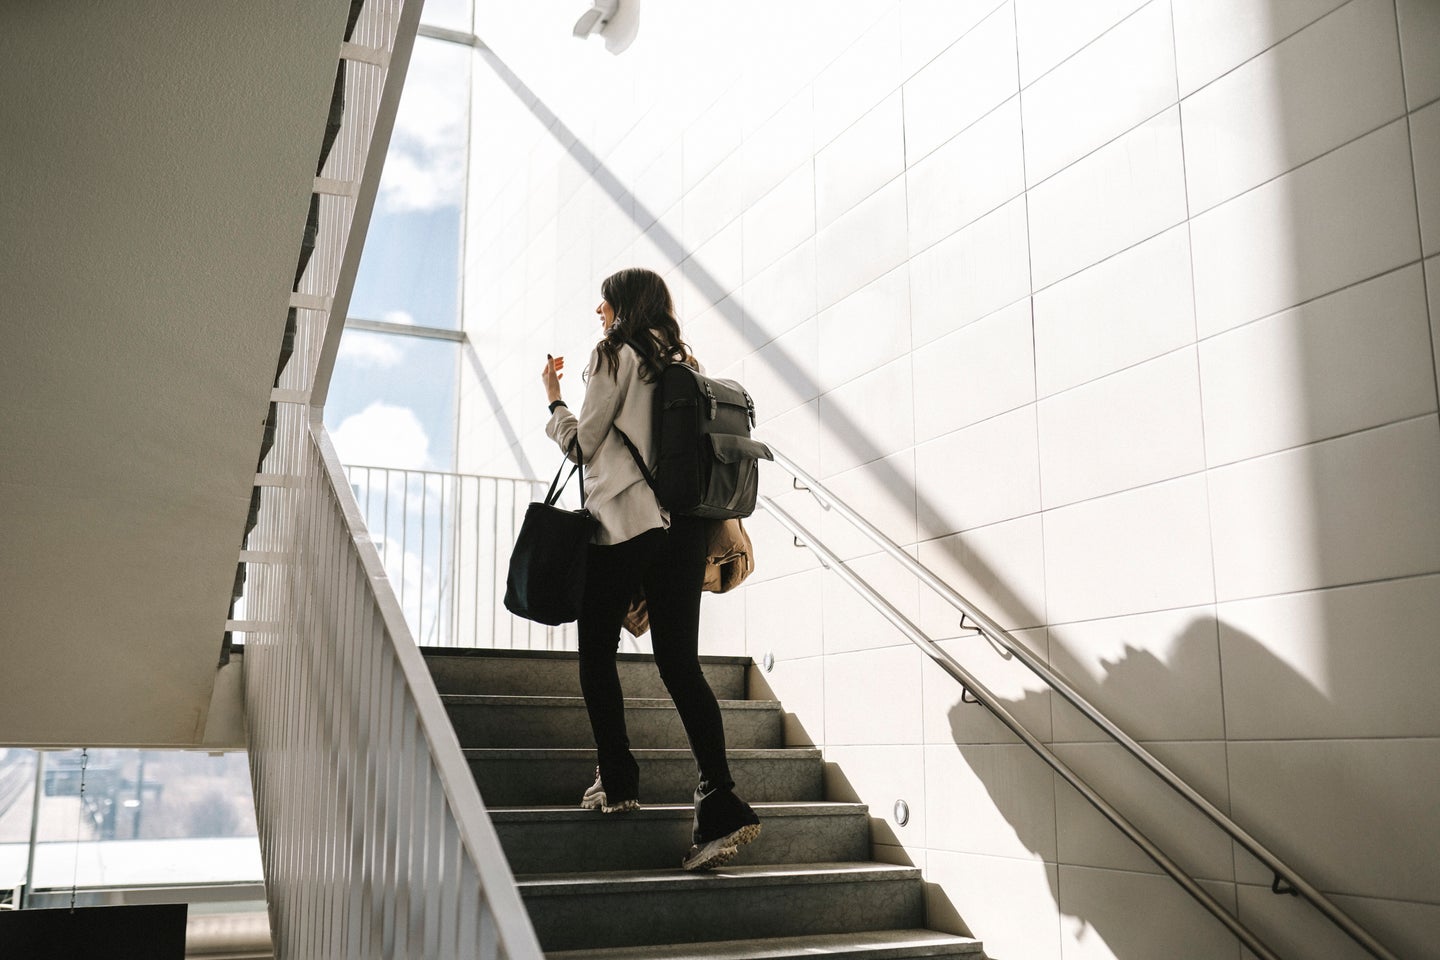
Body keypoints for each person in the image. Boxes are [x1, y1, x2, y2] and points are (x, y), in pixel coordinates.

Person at [540, 267, 761, 871]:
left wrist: (555, 400)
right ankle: (719, 800)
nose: (598, 312)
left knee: (594, 654)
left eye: (604, 302)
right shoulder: (675, 361)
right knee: (679, 663)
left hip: (626, 528)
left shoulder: (614, 356)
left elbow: (583, 444)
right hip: (682, 531)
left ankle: (617, 780)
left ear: (622, 308)